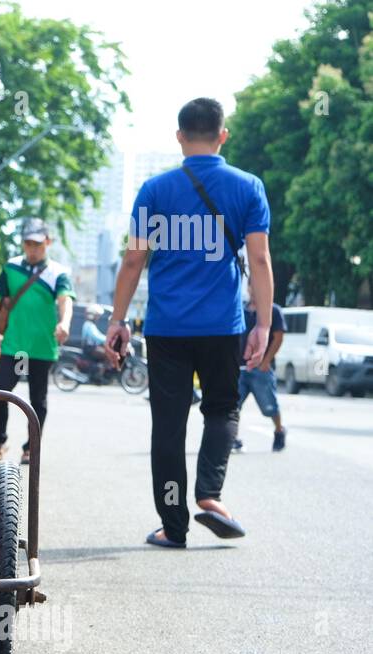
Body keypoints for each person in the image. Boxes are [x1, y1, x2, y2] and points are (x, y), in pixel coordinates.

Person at [106, 98, 274, 549]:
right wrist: (262, 325)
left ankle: (173, 525)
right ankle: (210, 494)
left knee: (168, 424)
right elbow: (259, 259)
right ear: (223, 135)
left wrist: (118, 320)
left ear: (179, 136)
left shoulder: (154, 190)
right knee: (222, 408)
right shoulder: (248, 187)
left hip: (167, 327)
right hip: (223, 325)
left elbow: (133, 260)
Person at [0, 218, 75, 465]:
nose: (33, 249)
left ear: (48, 242)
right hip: (16, 347)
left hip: (41, 348)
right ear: (23, 244)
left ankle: (31, 446)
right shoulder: (11, 268)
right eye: (28, 244)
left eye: (38, 244)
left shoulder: (58, 272)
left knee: (38, 400)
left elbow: (65, 300)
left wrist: (65, 323)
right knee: (1, 393)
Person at [234, 294, 286, 452]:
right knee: (233, 405)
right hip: (240, 368)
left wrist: (266, 361)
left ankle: (279, 430)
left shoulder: (273, 310)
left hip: (261, 368)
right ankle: (233, 438)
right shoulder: (241, 309)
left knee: (269, 407)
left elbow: (278, 337)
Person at [80, 305, 109, 381]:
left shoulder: (91, 324)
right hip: (89, 348)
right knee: (108, 354)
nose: (98, 317)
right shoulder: (88, 324)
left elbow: (98, 335)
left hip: (92, 347)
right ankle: (99, 374)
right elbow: (95, 336)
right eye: (97, 315)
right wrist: (108, 339)